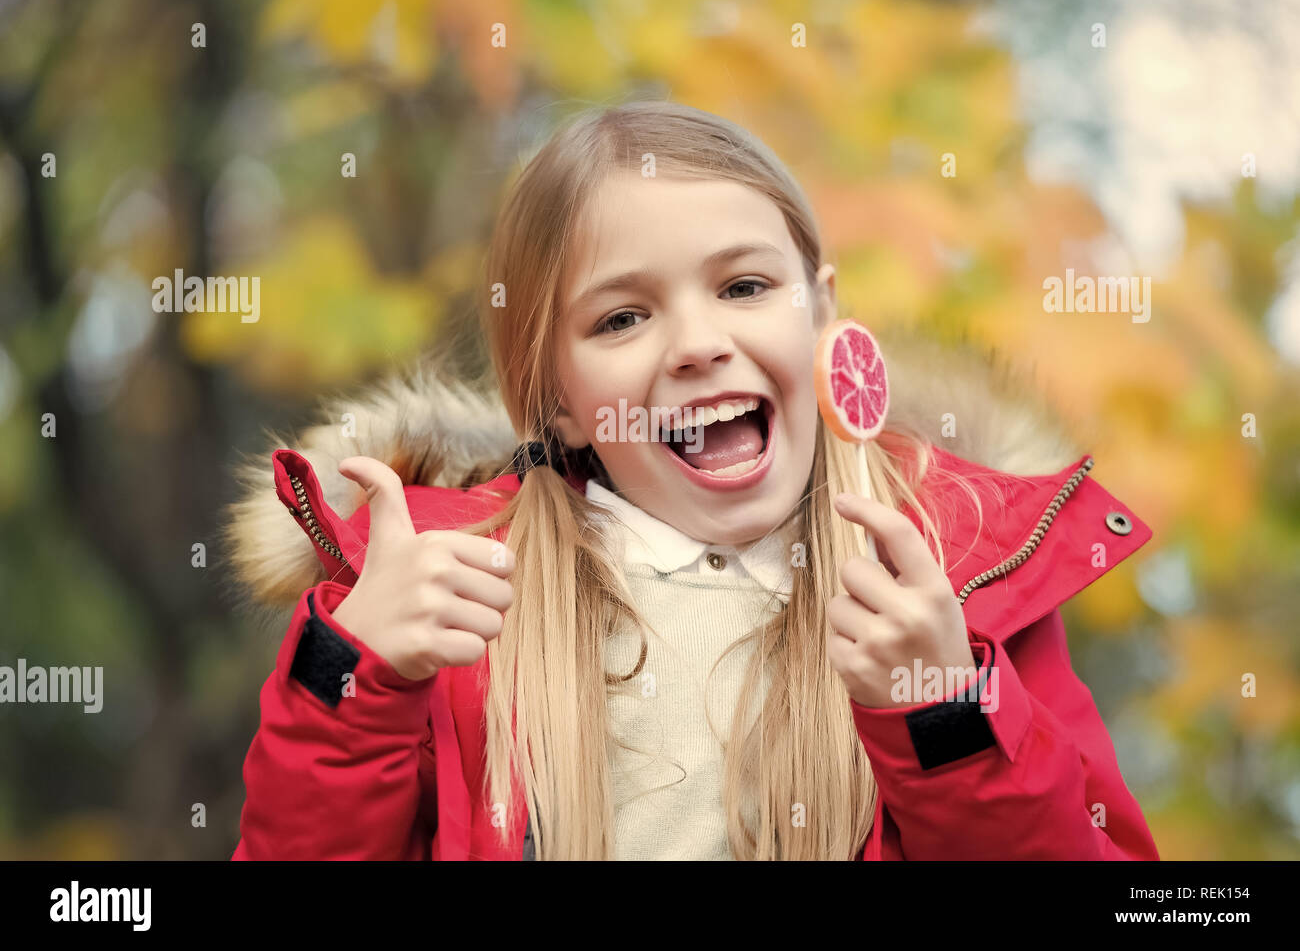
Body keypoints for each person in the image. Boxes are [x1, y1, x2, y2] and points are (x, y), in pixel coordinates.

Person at [225, 101, 1160, 861]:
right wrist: (351, 678)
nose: (700, 344)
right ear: (552, 400)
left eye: (745, 288)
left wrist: (949, 710)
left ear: (824, 313)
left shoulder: (958, 580)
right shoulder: (447, 596)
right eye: (624, 317)